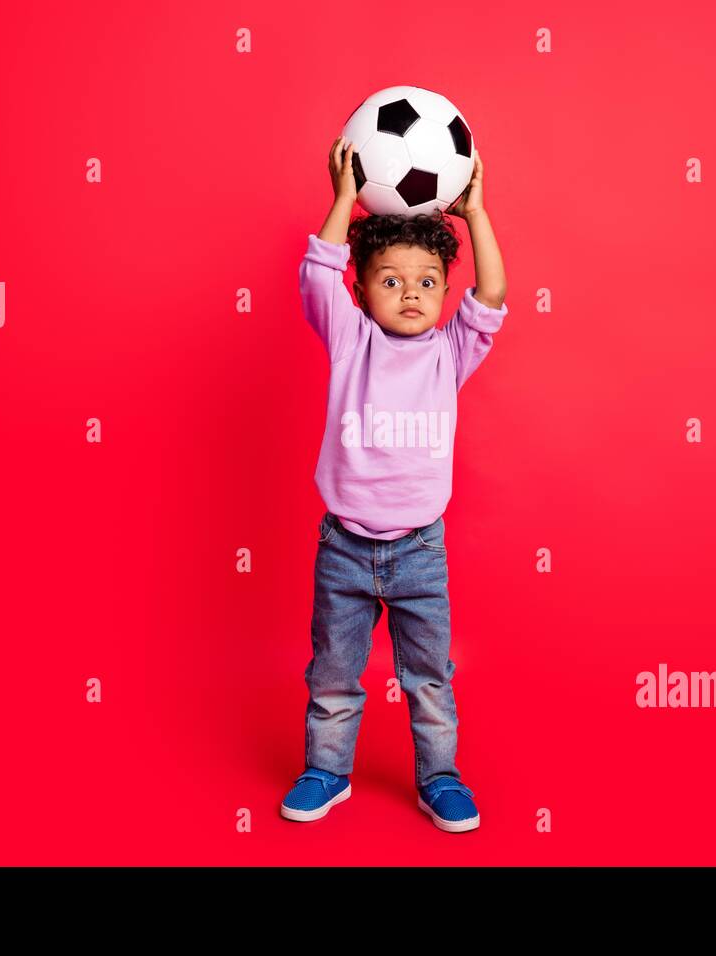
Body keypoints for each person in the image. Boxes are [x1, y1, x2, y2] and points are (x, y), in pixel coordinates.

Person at [280, 135, 508, 832]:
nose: (411, 292)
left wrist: (476, 215)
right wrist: (344, 199)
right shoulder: (350, 341)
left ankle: (439, 779)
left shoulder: (450, 352)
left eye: (427, 282)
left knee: (429, 677)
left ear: (443, 289)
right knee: (333, 676)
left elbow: (492, 293)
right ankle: (328, 771)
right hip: (344, 546)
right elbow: (316, 274)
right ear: (362, 289)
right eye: (390, 280)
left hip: (419, 550)